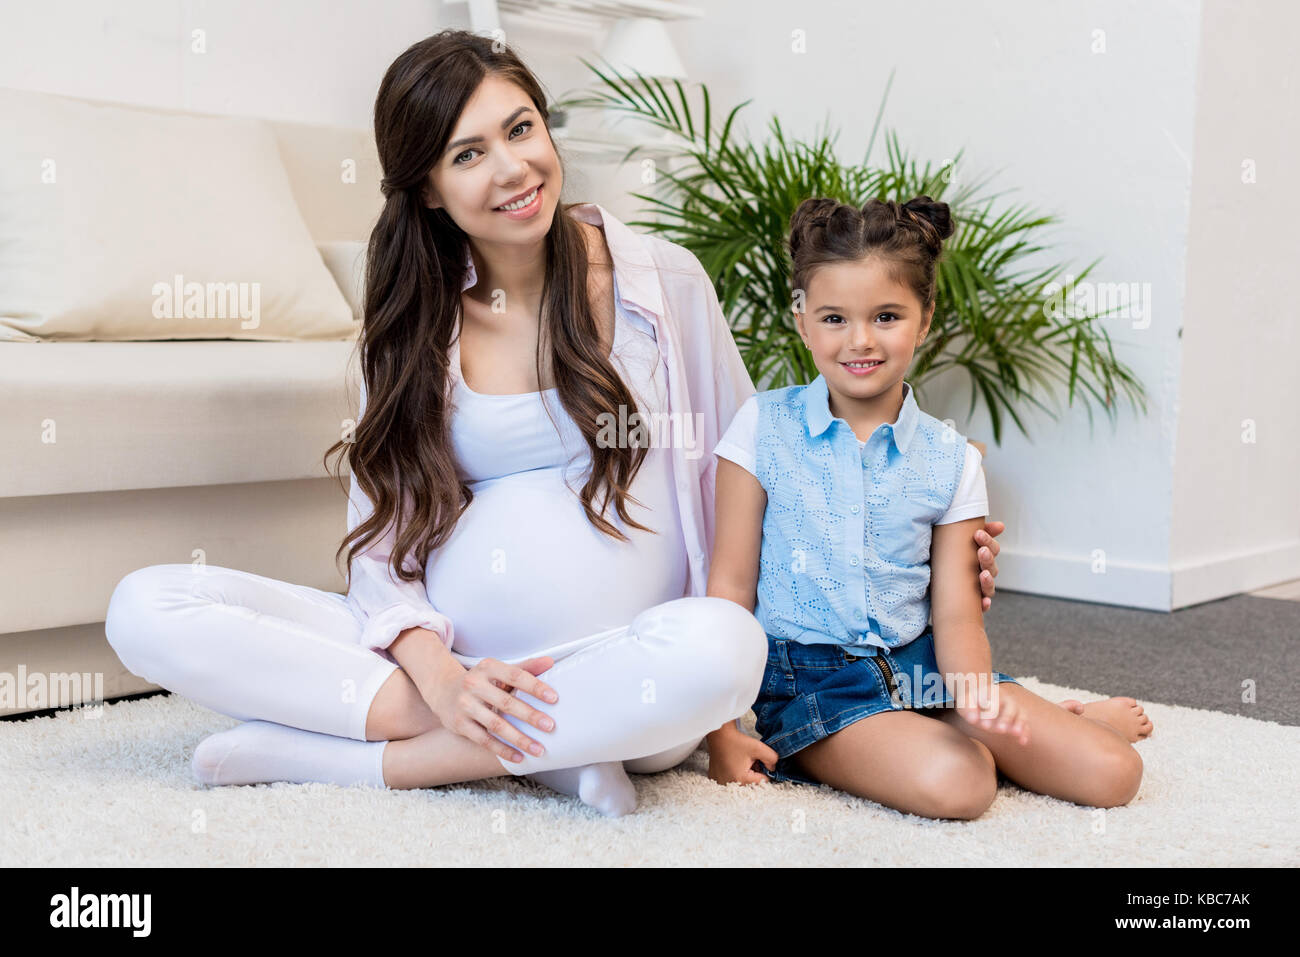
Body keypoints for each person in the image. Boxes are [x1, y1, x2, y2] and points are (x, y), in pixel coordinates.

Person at [103, 32, 1006, 817]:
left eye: (521, 129)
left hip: (640, 664)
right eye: (467, 154)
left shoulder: (661, 282)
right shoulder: (421, 322)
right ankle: (550, 748)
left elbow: (760, 464)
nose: (512, 169)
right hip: (448, 667)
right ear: (425, 189)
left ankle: (372, 763)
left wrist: (914, 535)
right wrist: (446, 678)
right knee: (148, 604)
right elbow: (381, 550)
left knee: (725, 647)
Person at [702, 195, 1153, 817]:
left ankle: (1027, 727)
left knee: (1115, 774)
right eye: (834, 318)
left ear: (925, 317)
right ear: (802, 320)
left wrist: (976, 700)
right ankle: (989, 735)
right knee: (963, 784)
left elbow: (960, 618)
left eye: (887, 315)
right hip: (812, 683)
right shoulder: (760, 428)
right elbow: (728, 590)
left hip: (924, 669)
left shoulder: (952, 458)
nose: (860, 340)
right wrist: (721, 730)